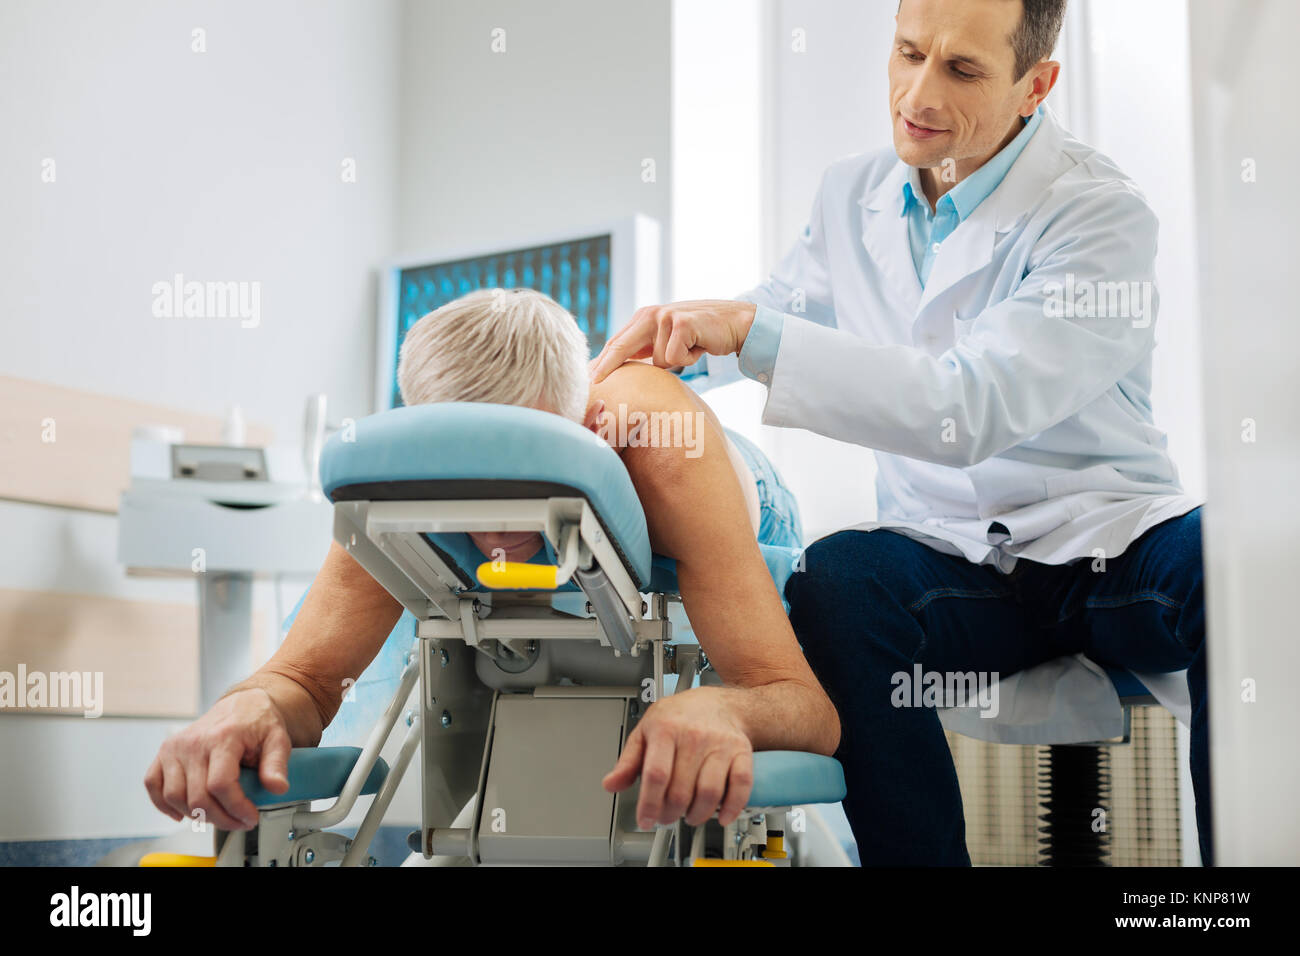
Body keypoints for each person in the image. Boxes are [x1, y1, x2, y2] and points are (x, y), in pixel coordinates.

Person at [590, 0, 1211, 864]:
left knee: (1232, 572)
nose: (917, 93)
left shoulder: (1099, 215)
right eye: (908, 53)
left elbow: (968, 404)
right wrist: (651, 356)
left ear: (1036, 85)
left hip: (1104, 544)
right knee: (840, 581)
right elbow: (774, 317)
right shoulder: (855, 195)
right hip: (956, 562)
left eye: (960, 70)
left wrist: (747, 332)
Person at [144, 287, 836, 836]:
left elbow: (805, 706)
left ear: (583, 427)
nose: (501, 538)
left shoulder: (656, 442)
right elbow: (307, 679)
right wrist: (247, 706)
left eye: (525, 486)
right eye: (478, 497)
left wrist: (727, 710)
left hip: (729, 508)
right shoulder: (406, 476)